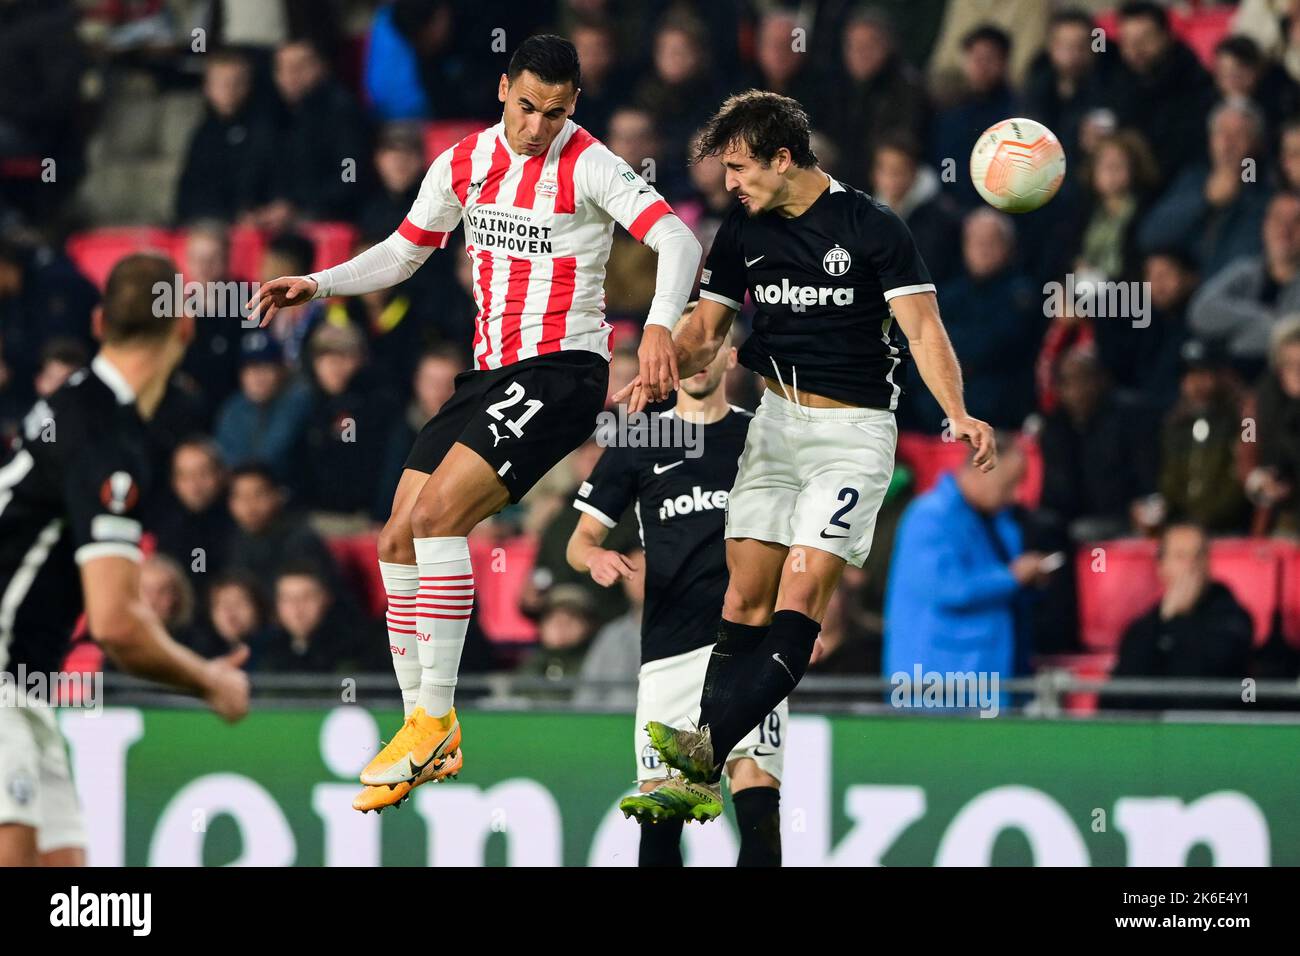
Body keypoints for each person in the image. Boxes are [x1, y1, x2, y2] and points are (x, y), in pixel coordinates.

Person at [247, 35, 701, 814]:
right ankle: (425, 724)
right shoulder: (462, 163)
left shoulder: (588, 162)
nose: (538, 126)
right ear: (502, 89)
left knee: (434, 519)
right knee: (396, 536)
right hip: (488, 375)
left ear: (573, 108)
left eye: (555, 112)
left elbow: (678, 238)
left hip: (561, 373)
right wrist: (319, 285)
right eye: (527, 107)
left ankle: (434, 719)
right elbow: (403, 252)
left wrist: (660, 324)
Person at [615, 90, 995, 818]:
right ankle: (702, 769)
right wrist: (664, 365)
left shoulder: (872, 227)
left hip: (852, 438)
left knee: (799, 596)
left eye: (738, 167)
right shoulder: (742, 229)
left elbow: (923, 330)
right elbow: (710, 330)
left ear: (783, 159)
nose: (728, 182)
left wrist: (957, 411)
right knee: (742, 600)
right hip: (775, 424)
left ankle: (701, 752)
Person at [0, 254, 249, 867]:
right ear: (184, 327)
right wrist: (210, 680)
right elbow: (114, 623)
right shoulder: (105, 438)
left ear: (98, 320)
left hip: (23, 687)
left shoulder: (76, 406)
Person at [569, 326, 782, 865]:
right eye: (688, 349)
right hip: (672, 652)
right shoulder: (641, 439)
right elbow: (579, 541)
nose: (699, 360)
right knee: (664, 823)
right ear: (670, 360)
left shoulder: (763, 438)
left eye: (710, 347)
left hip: (750, 648)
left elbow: (799, 542)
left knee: (759, 812)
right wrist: (595, 557)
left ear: (730, 355)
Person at [883, 441, 1038, 708]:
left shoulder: (998, 522)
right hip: (934, 689)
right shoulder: (930, 516)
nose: (1015, 496)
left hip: (982, 683)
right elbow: (946, 587)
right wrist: (1013, 577)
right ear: (982, 468)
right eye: (1010, 484)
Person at [1105, 524, 1253, 710]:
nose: (1191, 565)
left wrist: (1178, 621)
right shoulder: (1142, 629)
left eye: (1198, 556)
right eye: (1180, 556)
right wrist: (1166, 621)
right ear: (1161, 567)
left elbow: (1209, 676)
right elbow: (1117, 697)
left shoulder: (1234, 620)